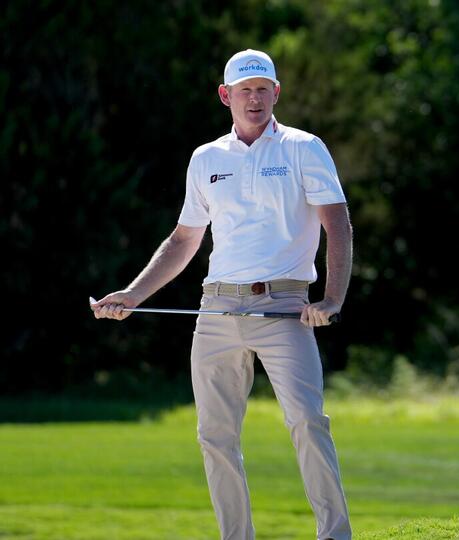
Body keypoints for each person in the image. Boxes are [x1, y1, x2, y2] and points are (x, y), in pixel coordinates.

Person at [90, 49, 352, 540]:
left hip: (285, 306)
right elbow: (185, 239)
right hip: (216, 308)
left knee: (307, 422)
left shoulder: (303, 147)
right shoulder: (205, 158)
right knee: (215, 436)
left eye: (262, 89)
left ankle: (335, 534)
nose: (253, 99)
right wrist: (133, 294)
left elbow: (336, 223)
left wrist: (331, 299)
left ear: (276, 93)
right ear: (225, 95)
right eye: (243, 90)